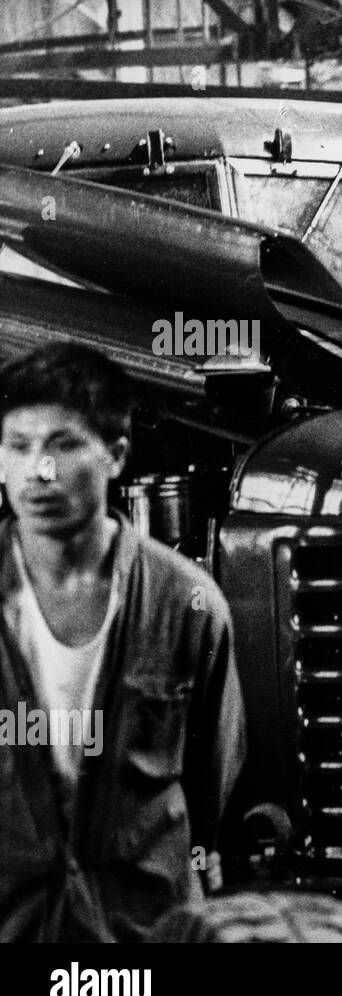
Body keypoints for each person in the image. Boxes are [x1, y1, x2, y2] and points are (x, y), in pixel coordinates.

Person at [0, 342, 246, 941]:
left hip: (143, 930)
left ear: (115, 455)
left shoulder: (186, 605)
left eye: (64, 443)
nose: (40, 471)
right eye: (18, 445)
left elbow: (214, 787)